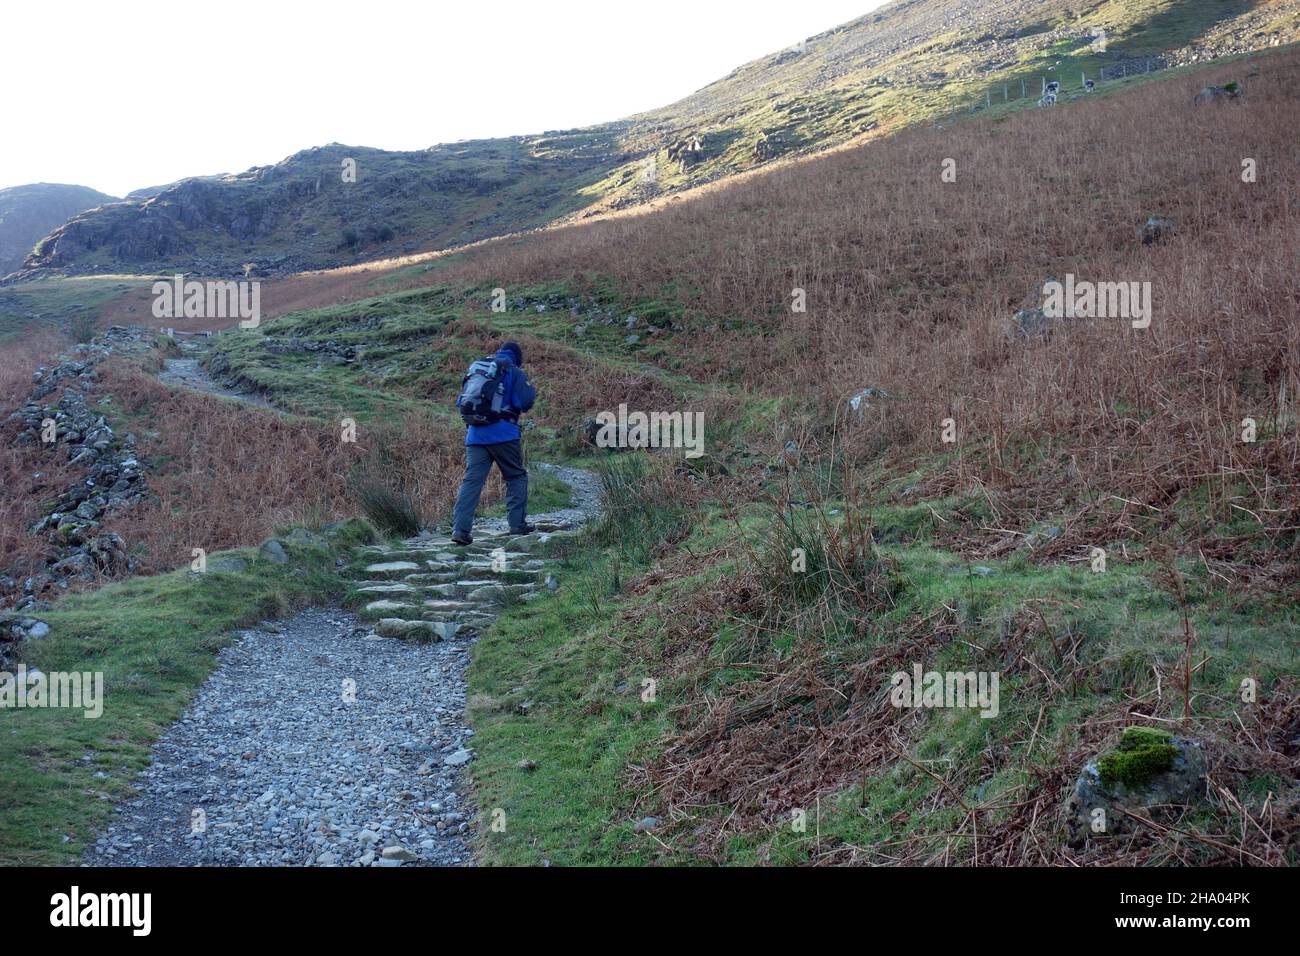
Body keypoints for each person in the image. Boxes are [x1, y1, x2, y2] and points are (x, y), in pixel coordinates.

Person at [450, 341, 536, 545]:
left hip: (475, 435)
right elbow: (525, 402)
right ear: (518, 358)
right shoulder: (514, 372)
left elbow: (461, 401)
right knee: (516, 476)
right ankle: (517, 525)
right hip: (504, 434)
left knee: (472, 482)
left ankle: (460, 530)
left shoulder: (479, 367)